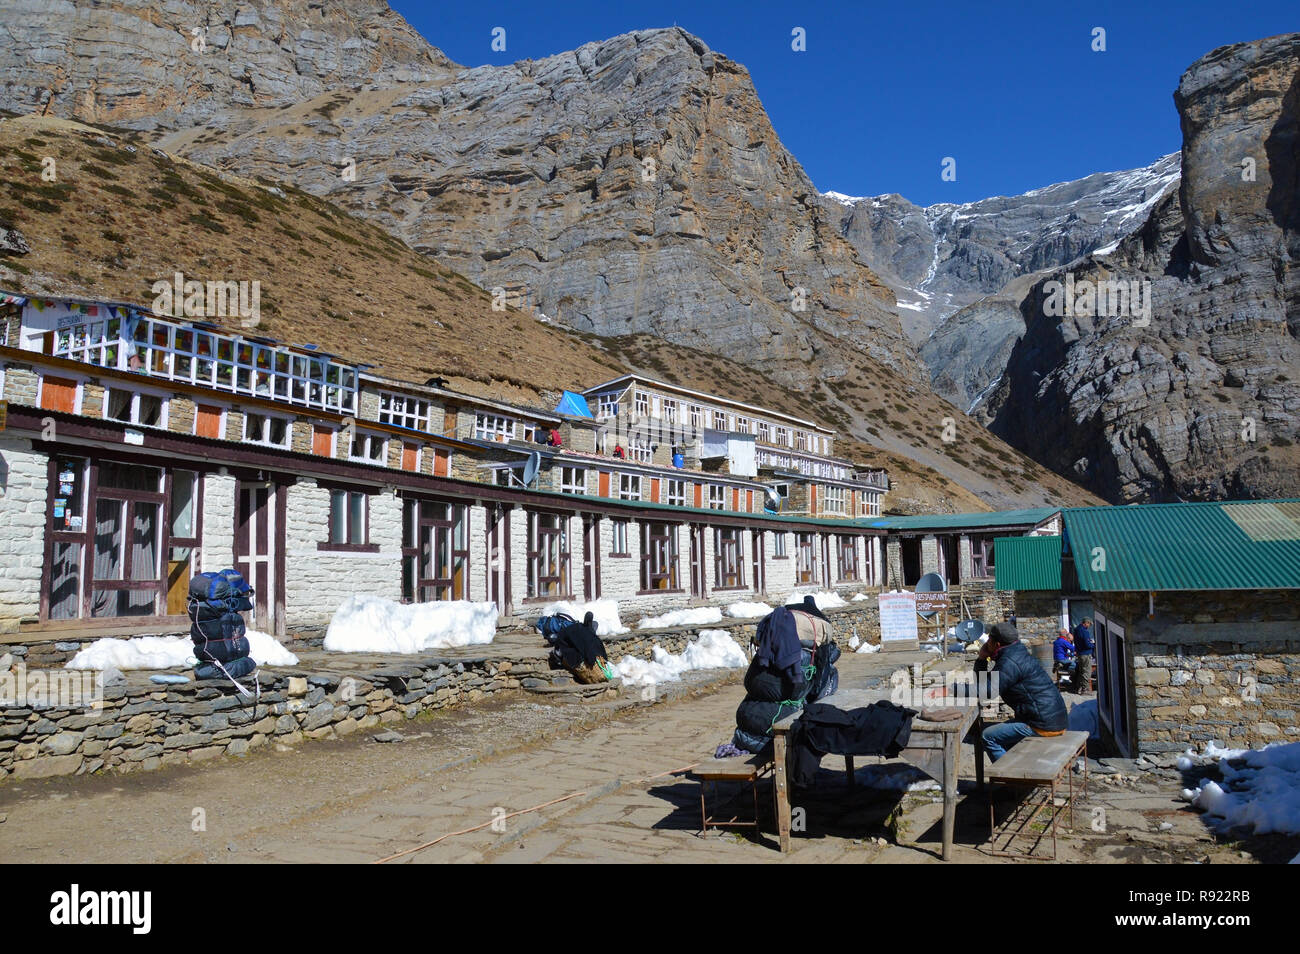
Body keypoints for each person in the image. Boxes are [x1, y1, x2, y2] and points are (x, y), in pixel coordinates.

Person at [974, 622, 1068, 760]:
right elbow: (985, 684)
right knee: (1003, 734)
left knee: (988, 736)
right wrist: (982, 660)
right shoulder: (1018, 652)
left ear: (997, 644)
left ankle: (1007, 775)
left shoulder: (1009, 662)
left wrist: (950, 690)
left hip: (1043, 724)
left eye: (989, 640)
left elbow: (986, 691)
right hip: (1054, 718)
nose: (987, 643)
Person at [1072, 618, 1095, 694]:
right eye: (1089, 624)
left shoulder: (1076, 630)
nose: (1089, 626)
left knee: (1081, 671)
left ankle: (1078, 687)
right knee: (1087, 671)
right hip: (1085, 653)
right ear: (1086, 623)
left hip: (1079, 653)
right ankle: (1085, 689)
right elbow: (1087, 644)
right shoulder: (1084, 631)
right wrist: (1093, 645)